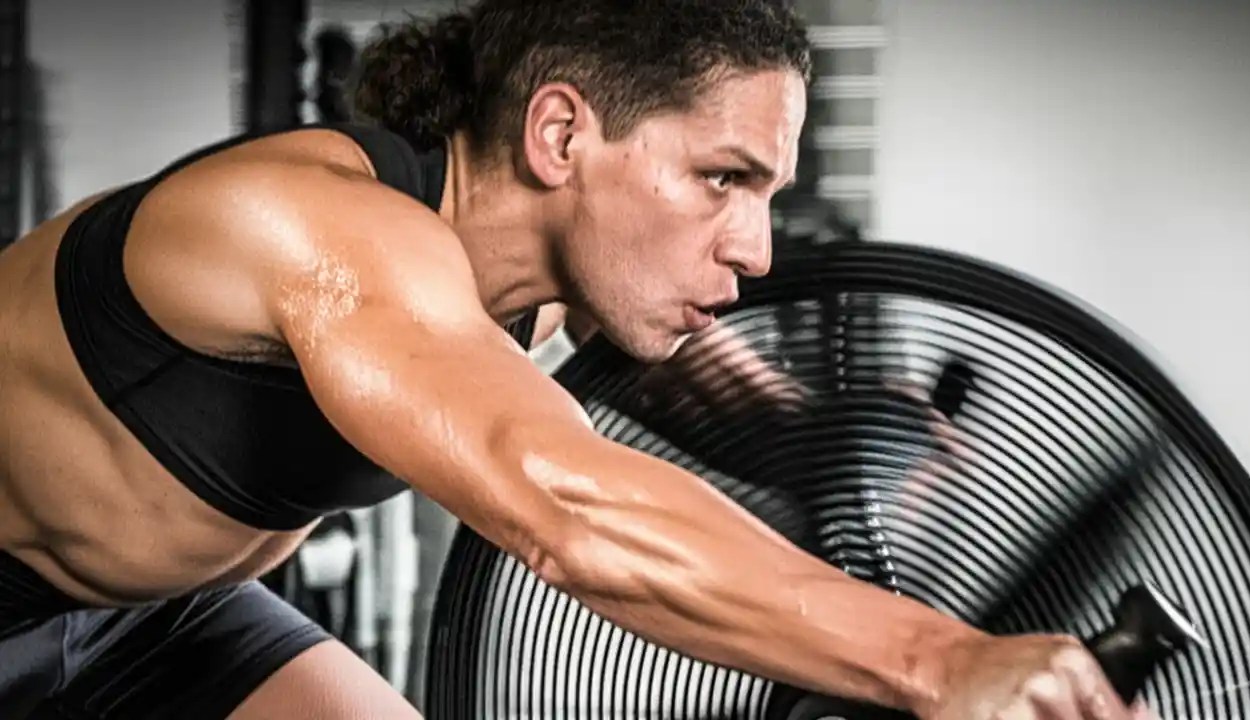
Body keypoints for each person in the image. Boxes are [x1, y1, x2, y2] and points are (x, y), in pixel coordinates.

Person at [0, 1, 1154, 718]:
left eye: (766, 193)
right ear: (561, 136)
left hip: (168, 615)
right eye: (720, 178)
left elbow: (775, 436)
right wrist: (936, 663)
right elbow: (569, 507)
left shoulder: (546, 294)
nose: (752, 246)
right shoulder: (315, 228)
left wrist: (882, 446)